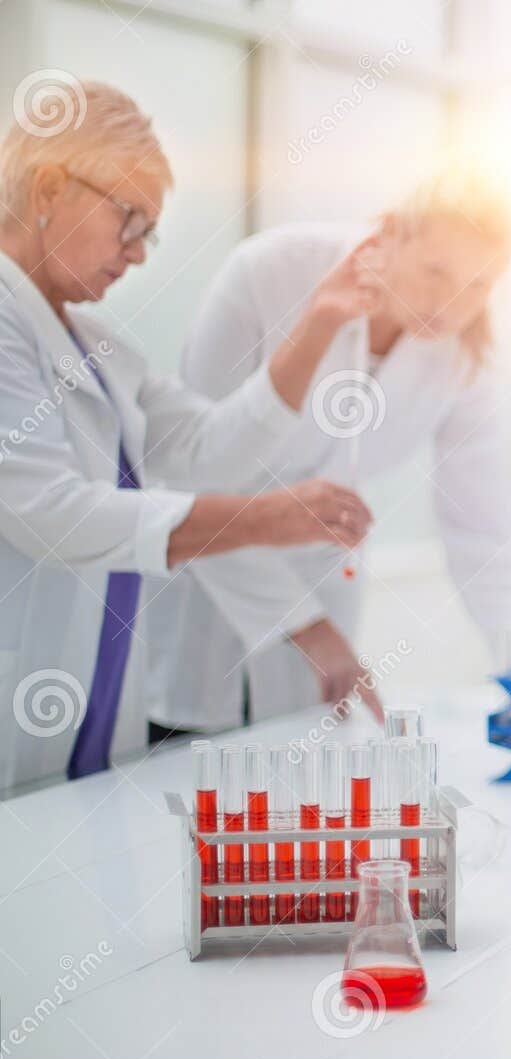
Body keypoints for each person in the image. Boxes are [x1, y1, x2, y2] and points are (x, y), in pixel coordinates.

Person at [0, 81, 375, 794]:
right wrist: (264, 518)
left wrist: (320, 321)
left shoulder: (94, 346)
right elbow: (48, 512)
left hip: (86, 726)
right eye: (130, 219)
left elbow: (211, 449)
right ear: (49, 186)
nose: (138, 253)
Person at [144, 168, 511, 736]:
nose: (450, 304)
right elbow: (187, 469)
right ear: (392, 232)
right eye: (436, 272)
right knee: (187, 786)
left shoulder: (463, 361)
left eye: (477, 285)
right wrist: (307, 628)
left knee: (303, 788)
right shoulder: (271, 272)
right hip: (210, 587)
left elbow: (482, 534)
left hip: (326, 599)